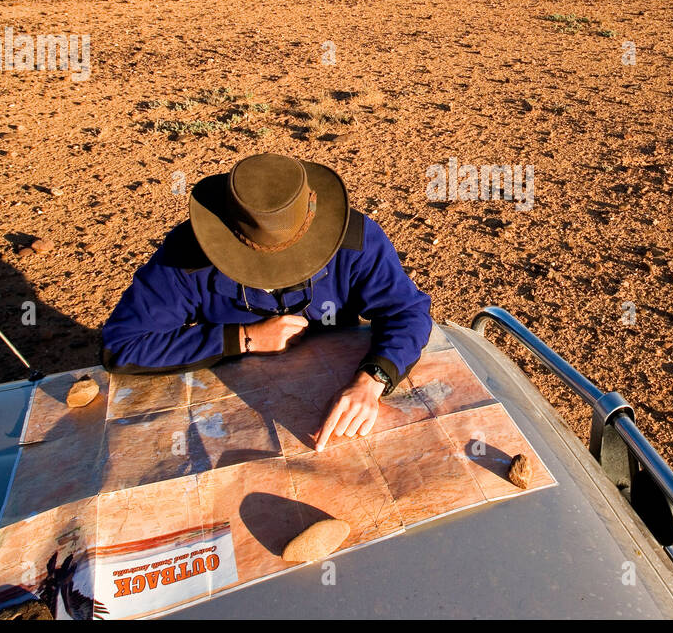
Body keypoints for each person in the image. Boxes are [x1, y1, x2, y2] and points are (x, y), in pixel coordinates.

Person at [99, 152, 432, 451]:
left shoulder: (356, 239)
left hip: (333, 381)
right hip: (229, 412)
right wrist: (246, 338)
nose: (280, 273)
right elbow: (124, 345)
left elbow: (407, 311)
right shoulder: (187, 255)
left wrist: (373, 379)